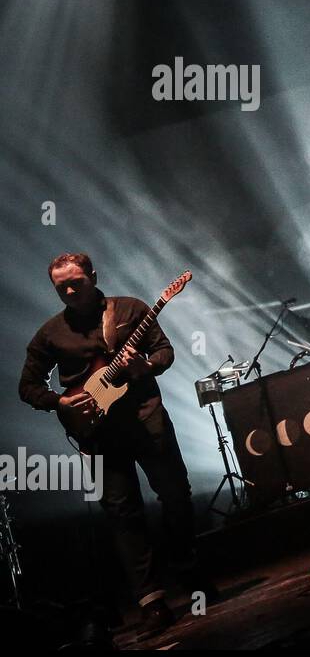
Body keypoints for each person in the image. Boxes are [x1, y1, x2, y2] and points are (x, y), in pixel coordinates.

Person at [18, 252, 202, 634]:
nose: (69, 290)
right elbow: (28, 386)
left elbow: (163, 351)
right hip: (97, 433)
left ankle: (189, 573)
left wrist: (146, 367)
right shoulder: (51, 333)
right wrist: (60, 401)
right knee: (122, 514)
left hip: (146, 419)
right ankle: (151, 603)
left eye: (76, 283)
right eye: (61, 287)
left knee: (176, 495)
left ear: (93, 276)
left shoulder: (130, 309)